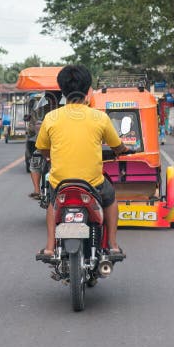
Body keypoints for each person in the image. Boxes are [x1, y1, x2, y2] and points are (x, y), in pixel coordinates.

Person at [35, 65, 130, 263]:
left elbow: (43, 149)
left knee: (53, 203)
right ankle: (112, 245)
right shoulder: (100, 117)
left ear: (62, 91)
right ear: (89, 90)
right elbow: (117, 145)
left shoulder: (51, 118)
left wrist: (51, 155)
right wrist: (122, 150)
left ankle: (50, 247)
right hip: (93, 184)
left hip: (60, 183)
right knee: (111, 198)